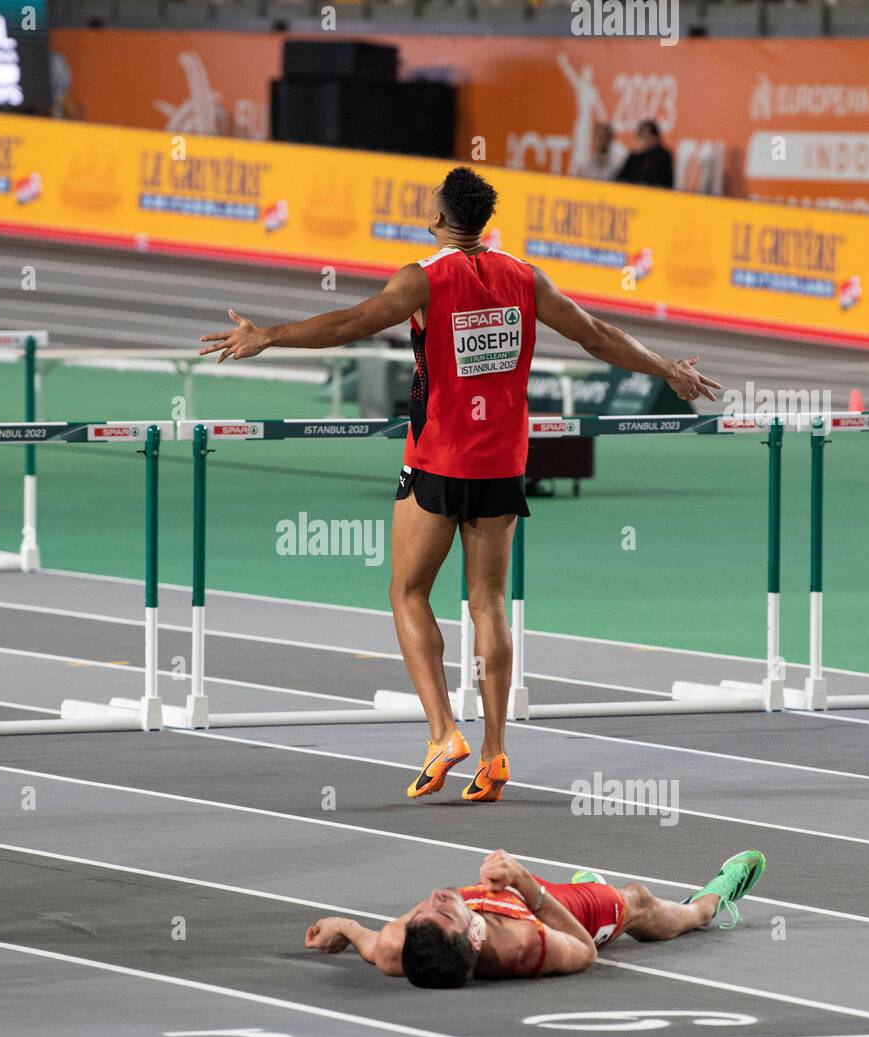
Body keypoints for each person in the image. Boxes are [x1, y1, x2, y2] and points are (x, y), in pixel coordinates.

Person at [198, 167, 717, 803]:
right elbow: (597, 336)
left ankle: (444, 733)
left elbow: (353, 323)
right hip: (503, 462)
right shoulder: (526, 277)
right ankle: (495, 753)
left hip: (438, 459)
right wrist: (669, 369)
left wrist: (268, 336)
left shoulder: (421, 279)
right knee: (488, 602)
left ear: (440, 220)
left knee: (407, 592)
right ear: (485, 221)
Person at [305, 848, 765, 987]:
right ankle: (709, 902)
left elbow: (369, 942)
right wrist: (525, 881)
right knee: (637, 903)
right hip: (552, 913)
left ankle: (591, 880)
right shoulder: (524, 948)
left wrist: (342, 928)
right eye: (445, 910)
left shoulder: (396, 947)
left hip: (521, 896)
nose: (435, 896)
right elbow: (584, 950)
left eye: (423, 911)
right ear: (475, 939)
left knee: (602, 891)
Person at [615, 119, 674, 188]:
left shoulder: (664, 156)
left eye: (646, 136)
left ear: (655, 138)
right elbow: (619, 178)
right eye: (640, 136)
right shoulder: (634, 156)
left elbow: (655, 181)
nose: (642, 140)